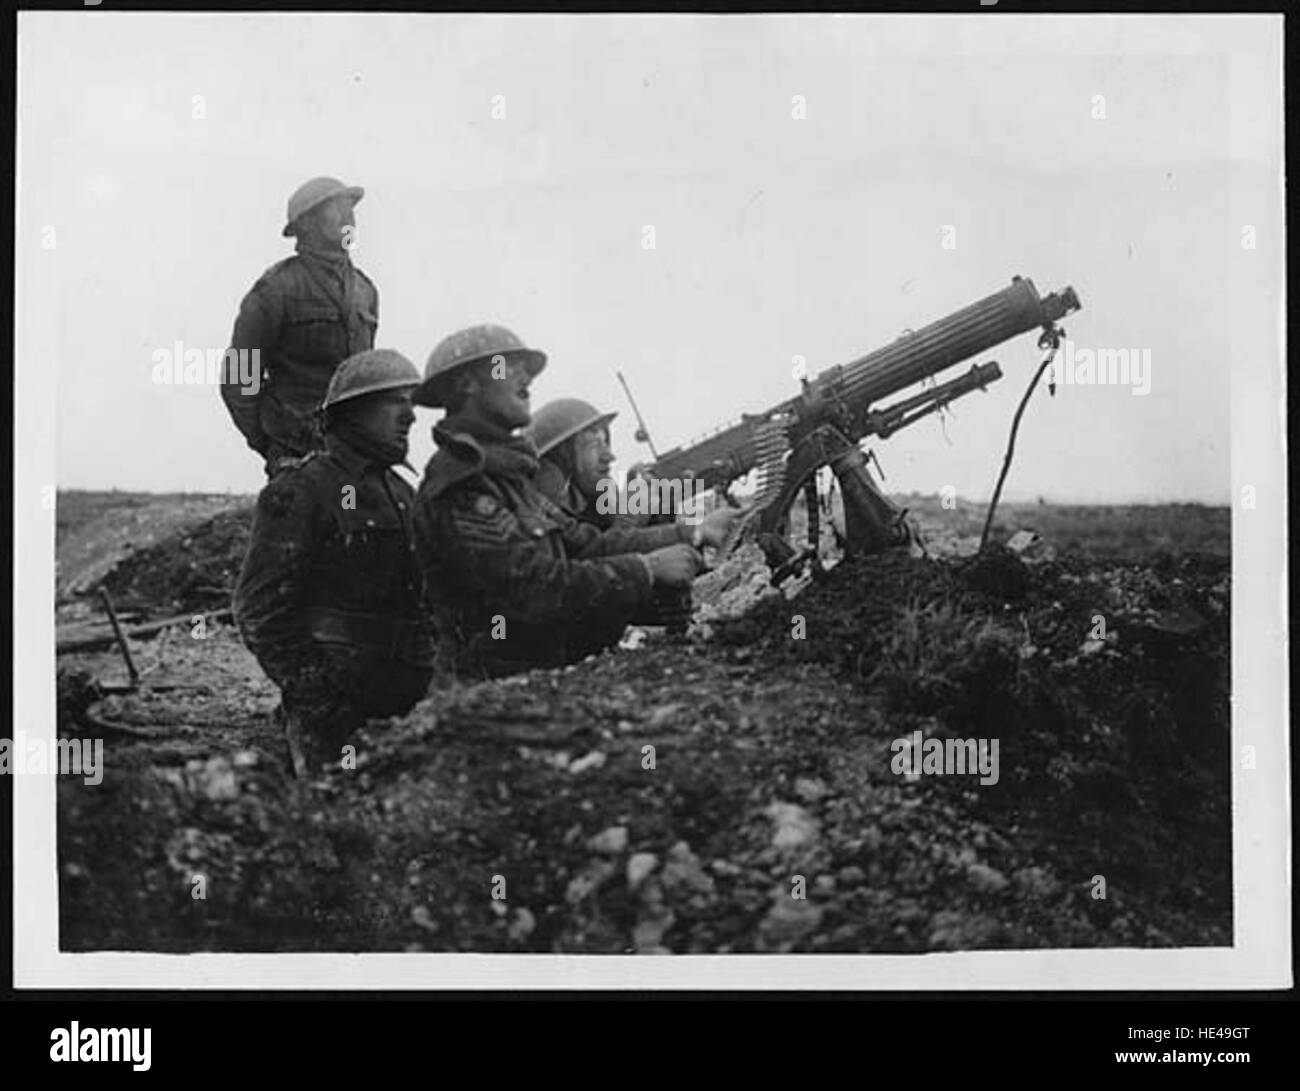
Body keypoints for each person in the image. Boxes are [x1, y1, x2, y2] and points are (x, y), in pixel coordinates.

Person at [410, 324, 740, 679]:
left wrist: (690, 533)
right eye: (506, 366)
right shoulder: (462, 483)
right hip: (484, 691)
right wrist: (645, 568)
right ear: (466, 385)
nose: (526, 376)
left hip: (533, 678)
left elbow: (585, 543)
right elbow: (530, 588)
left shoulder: (508, 477)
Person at [233, 349, 434, 775]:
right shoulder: (303, 489)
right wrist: (319, 698)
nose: (410, 416)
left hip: (405, 700)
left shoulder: (404, 493)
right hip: (337, 712)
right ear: (353, 412)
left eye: (411, 403)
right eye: (394, 401)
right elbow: (259, 612)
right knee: (336, 823)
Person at [221, 176, 380, 477]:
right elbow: (240, 377)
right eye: (336, 208)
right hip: (295, 457)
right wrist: (269, 443)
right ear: (305, 223)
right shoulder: (275, 289)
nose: (349, 217)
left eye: (351, 208)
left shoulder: (365, 291)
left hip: (352, 455)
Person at [527, 397, 693, 633]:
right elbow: (589, 569)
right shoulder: (536, 514)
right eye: (595, 445)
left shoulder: (596, 501)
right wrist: (629, 520)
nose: (609, 456)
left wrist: (659, 513)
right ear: (561, 456)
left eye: (606, 442)